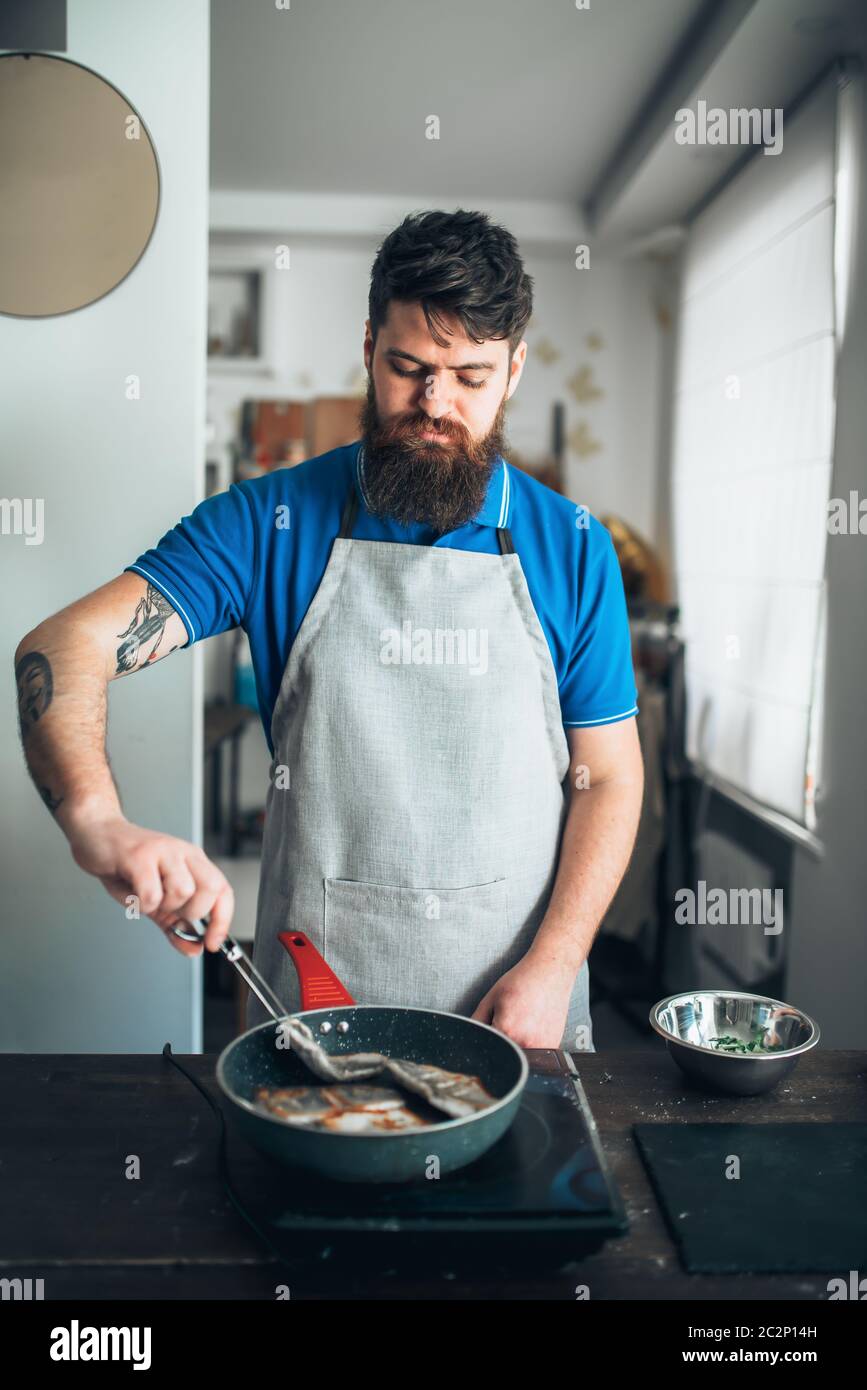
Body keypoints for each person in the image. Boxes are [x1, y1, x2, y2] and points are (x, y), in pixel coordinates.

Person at [14, 209, 643, 1050]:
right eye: (408, 368)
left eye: (470, 378)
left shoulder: (570, 545)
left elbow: (605, 778)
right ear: (367, 348)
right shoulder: (267, 522)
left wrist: (558, 960)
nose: (434, 406)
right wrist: (98, 823)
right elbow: (64, 647)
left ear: (514, 369)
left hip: (520, 1006)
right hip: (314, 1007)